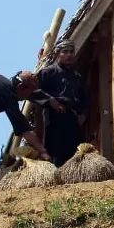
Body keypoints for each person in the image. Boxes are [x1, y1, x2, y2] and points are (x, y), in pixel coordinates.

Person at [31, 39, 89, 167]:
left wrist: (83, 115)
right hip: (53, 116)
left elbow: (85, 99)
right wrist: (50, 101)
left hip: (72, 117)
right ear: (58, 54)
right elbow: (33, 92)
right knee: (55, 149)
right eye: (65, 52)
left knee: (75, 150)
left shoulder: (76, 76)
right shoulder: (47, 72)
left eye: (71, 52)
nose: (69, 55)